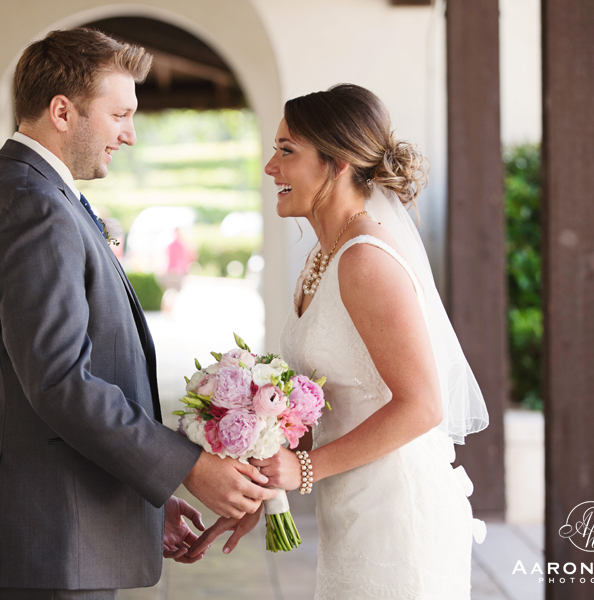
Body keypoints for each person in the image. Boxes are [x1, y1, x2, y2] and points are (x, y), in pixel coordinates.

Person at [0, 28, 274, 600]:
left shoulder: (32, 190)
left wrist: (141, 492)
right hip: (47, 538)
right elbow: (59, 382)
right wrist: (186, 467)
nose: (128, 134)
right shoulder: (34, 205)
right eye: (120, 114)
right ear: (61, 111)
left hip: (60, 525)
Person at [190, 84, 490, 598]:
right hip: (350, 509)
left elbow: (422, 406)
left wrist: (302, 468)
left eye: (287, 151)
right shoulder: (321, 260)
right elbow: (321, 405)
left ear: (339, 162)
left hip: (398, 516)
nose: (270, 167)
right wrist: (262, 488)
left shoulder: (365, 260)